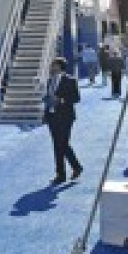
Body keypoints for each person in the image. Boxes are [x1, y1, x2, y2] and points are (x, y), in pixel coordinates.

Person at [44, 57, 83, 185]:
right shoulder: (49, 80)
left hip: (66, 117)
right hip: (52, 116)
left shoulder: (70, 80)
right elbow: (48, 96)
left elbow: (76, 98)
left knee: (63, 143)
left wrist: (61, 100)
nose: (51, 67)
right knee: (57, 145)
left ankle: (69, 170)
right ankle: (64, 172)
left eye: (53, 65)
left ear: (60, 66)